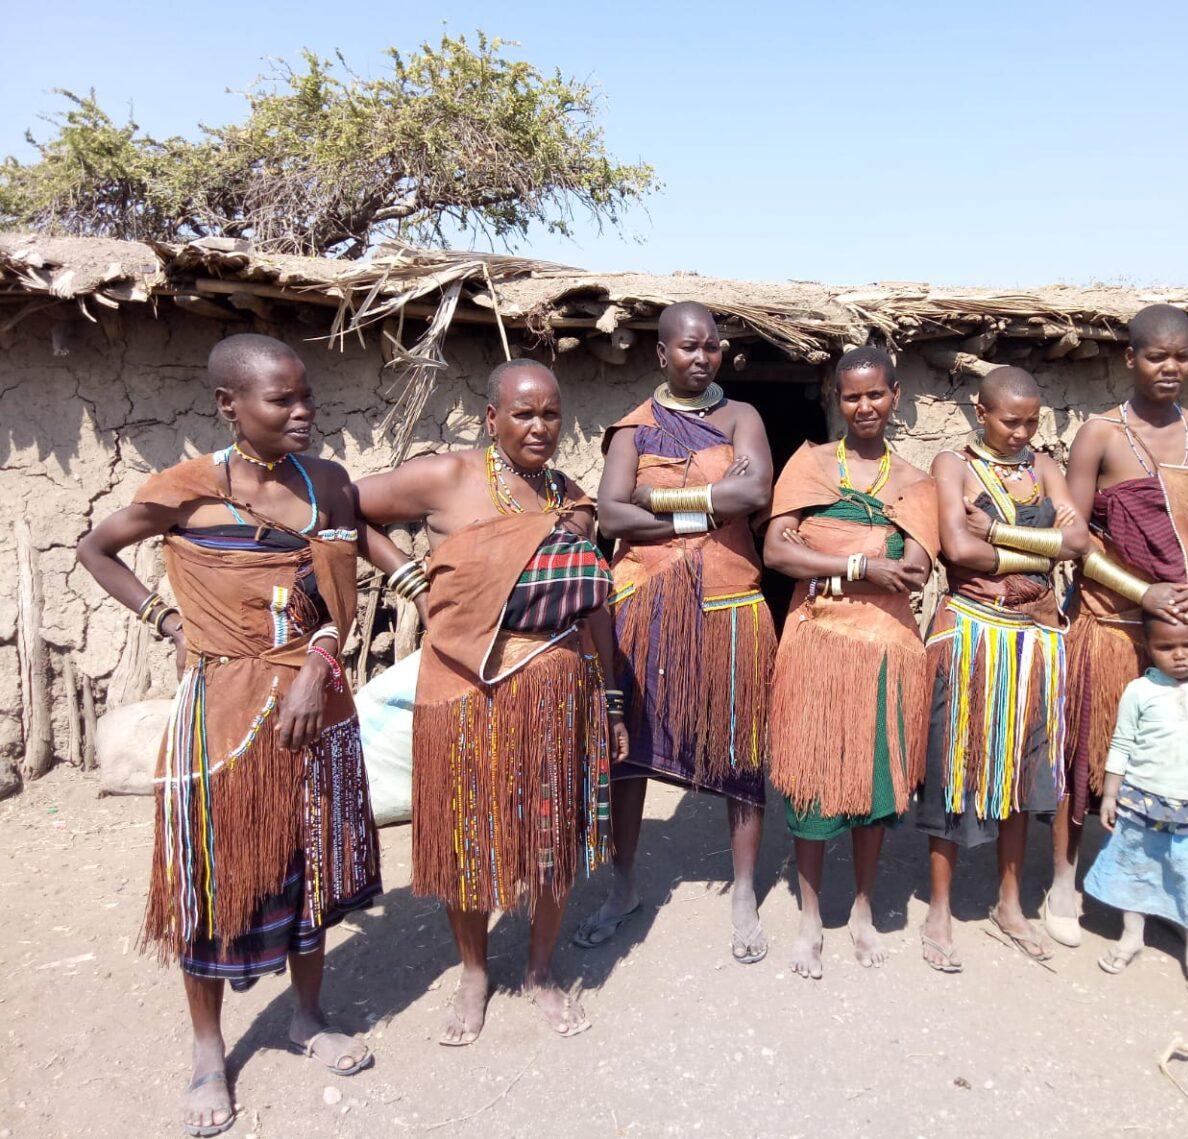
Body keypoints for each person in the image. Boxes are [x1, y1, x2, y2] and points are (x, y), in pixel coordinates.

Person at [75, 335, 382, 1137]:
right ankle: (210, 1051)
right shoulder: (185, 491)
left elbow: (335, 608)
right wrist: (166, 617)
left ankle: (307, 1017)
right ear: (228, 406)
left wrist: (319, 664)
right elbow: (95, 549)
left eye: (306, 394)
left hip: (317, 711)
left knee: (308, 868)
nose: (302, 410)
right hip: (222, 718)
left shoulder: (328, 485)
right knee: (210, 878)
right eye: (281, 399)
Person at [353, 360, 625, 1043]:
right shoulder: (448, 476)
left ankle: (539, 969)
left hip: (556, 689)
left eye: (552, 414)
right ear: (491, 418)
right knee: (466, 832)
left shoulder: (570, 499)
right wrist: (408, 574)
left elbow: (593, 608)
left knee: (549, 831)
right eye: (524, 413)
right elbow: (341, 505)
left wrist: (613, 700)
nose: (540, 427)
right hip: (462, 685)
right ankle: (474, 970)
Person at [575, 302, 778, 962]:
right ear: (662, 354)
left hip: (727, 602)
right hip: (643, 601)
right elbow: (610, 511)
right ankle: (624, 885)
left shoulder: (742, 417)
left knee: (739, 748)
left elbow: (756, 495)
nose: (702, 357)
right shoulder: (633, 429)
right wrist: (703, 511)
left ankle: (743, 890)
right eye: (689, 347)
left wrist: (654, 506)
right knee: (628, 751)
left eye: (713, 347)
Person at [1049, 304, 1188, 948]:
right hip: (1110, 620)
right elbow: (1072, 536)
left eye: (1181, 356)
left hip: (1181, 625)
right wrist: (1144, 590)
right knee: (1088, 757)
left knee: (1172, 766)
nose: (1170, 367)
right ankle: (1063, 884)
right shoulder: (1099, 434)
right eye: (1156, 355)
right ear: (1130, 359)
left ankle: (1158, 891)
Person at [761, 346, 938, 978]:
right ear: (837, 399)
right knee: (813, 782)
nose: (864, 406)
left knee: (875, 784)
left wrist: (828, 555)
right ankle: (811, 917)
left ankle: (861, 908)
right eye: (851, 396)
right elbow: (779, 552)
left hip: (887, 649)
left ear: (897, 395)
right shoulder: (808, 465)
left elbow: (915, 570)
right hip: (815, 642)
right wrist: (861, 563)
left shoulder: (917, 482)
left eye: (875, 394)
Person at [914, 367, 1089, 972]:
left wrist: (1000, 534)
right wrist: (1038, 542)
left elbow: (1081, 544)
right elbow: (959, 550)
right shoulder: (952, 465)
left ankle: (1009, 903)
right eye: (1009, 421)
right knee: (956, 766)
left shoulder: (1043, 467)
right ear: (979, 413)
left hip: (1034, 640)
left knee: (1021, 771)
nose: (1021, 432)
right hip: (972, 635)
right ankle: (939, 909)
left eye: (1031, 422)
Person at [1084, 613, 1188, 997]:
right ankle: (1132, 937)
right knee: (1135, 872)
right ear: (1148, 647)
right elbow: (1122, 745)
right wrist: (1110, 794)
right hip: (1142, 803)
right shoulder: (1139, 691)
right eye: (1165, 647)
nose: (1179, 655)